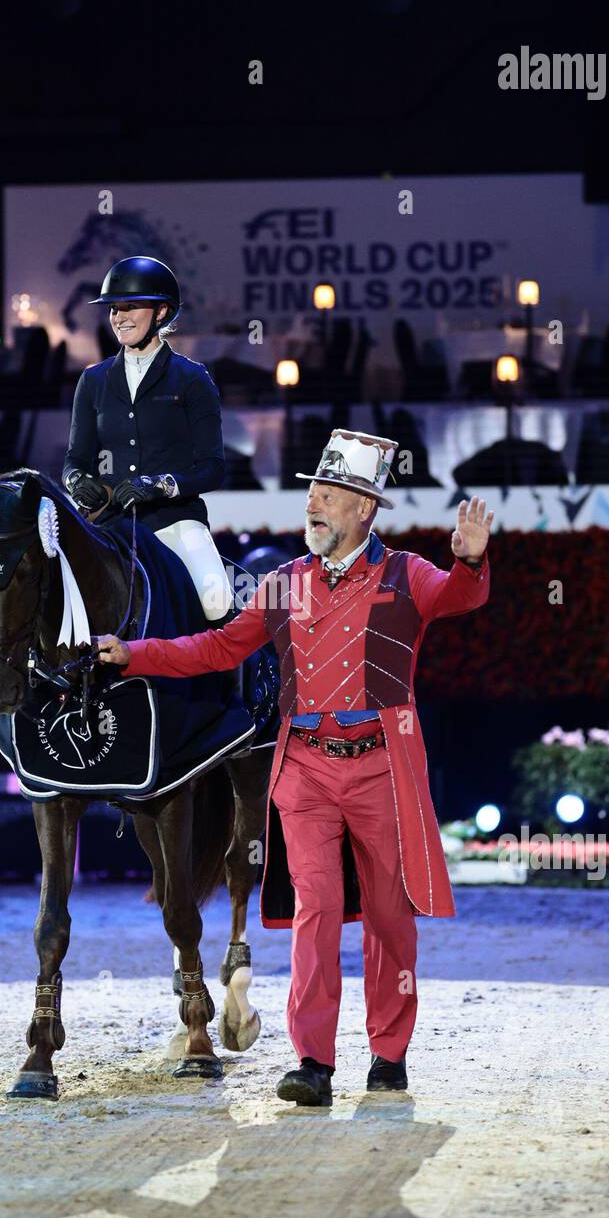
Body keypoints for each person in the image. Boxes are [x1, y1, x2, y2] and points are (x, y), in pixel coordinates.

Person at [93, 429, 493, 1105]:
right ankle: (313, 1060)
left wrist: (472, 564)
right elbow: (218, 648)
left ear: (364, 509)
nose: (314, 506)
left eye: (329, 496)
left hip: (381, 772)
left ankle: (388, 1053)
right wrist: (138, 655)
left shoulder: (405, 575)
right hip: (304, 771)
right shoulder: (283, 585)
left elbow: (462, 599)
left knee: (390, 917)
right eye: (312, 493)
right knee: (317, 909)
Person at [62, 255, 233, 620]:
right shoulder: (93, 381)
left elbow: (214, 469)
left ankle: (244, 679)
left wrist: (163, 485)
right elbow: (75, 460)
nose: (119, 317)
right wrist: (77, 482)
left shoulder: (192, 378)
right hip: (109, 526)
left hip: (175, 522)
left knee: (216, 599)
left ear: (161, 313)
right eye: (113, 309)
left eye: (131, 307)